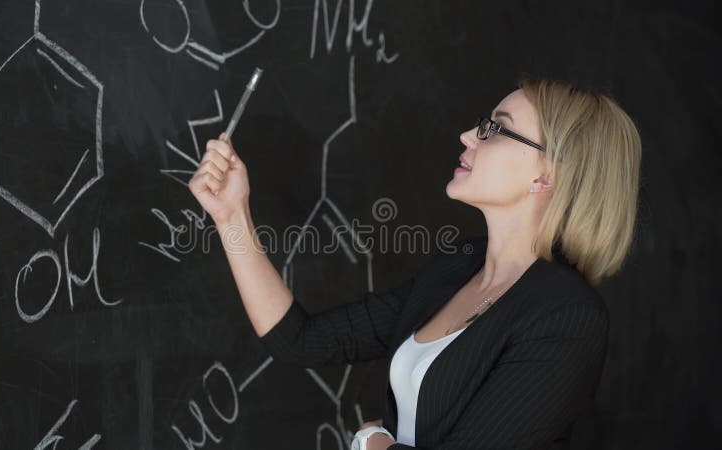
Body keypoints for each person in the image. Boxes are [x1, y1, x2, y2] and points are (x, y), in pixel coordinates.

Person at [188, 77, 641, 449]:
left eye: (494, 129)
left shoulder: (567, 316)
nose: (468, 135)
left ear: (548, 175)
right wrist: (232, 215)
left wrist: (372, 444)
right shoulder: (457, 266)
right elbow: (301, 341)